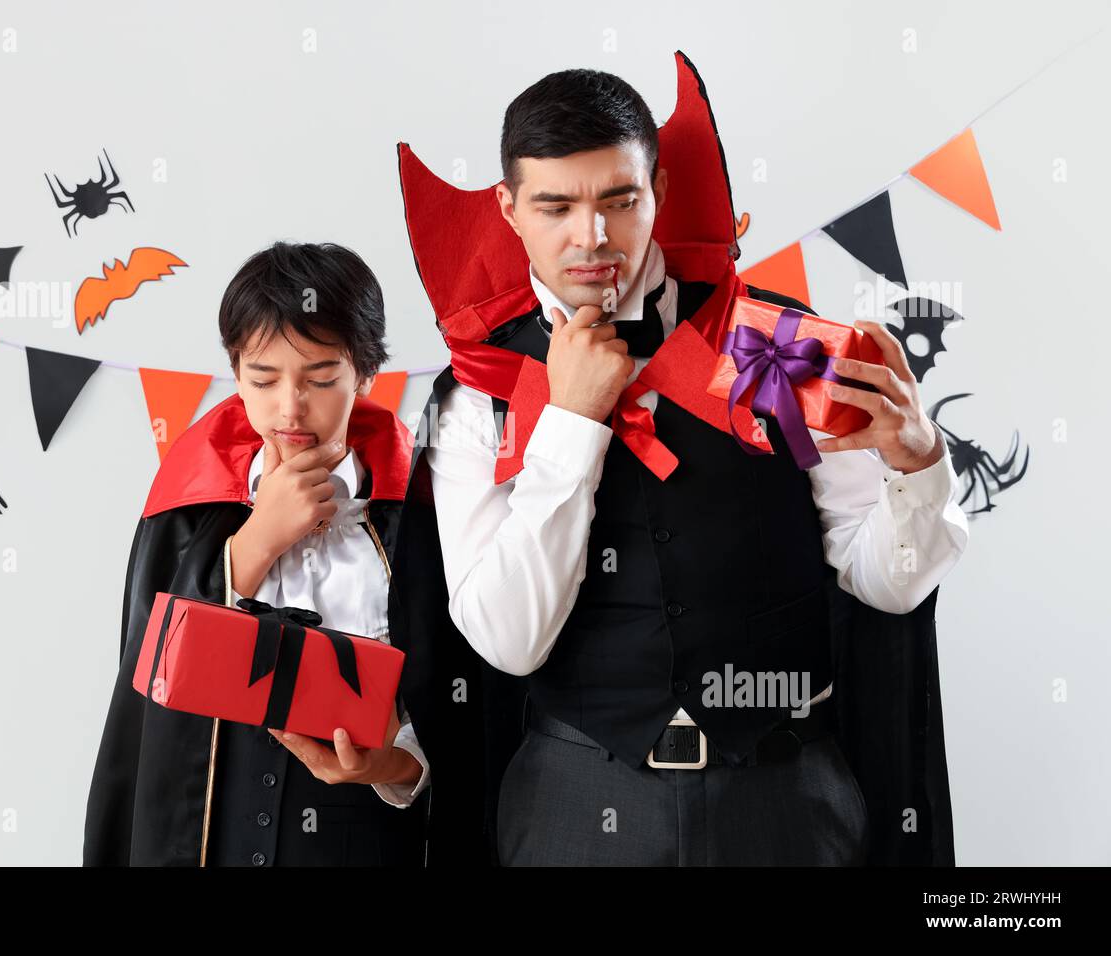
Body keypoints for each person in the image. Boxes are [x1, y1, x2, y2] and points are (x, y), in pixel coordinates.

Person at [391, 52, 969, 865]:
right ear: (509, 208)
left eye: (619, 200)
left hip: (785, 800)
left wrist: (915, 467)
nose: (590, 237)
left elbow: (886, 582)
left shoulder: (773, 342)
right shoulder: (474, 396)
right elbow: (509, 641)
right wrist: (572, 422)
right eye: (555, 206)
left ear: (657, 191)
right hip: (574, 801)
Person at [84, 241, 428, 866]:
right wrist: (257, 540)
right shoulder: (188, 504)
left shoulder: (420, 513)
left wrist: (396, 766)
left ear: (366, 375)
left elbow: (464, 708)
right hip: (212, 838)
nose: (289, 407)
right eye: (262, 379)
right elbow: (149, 685)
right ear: (236, 373)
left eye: (321, 378)